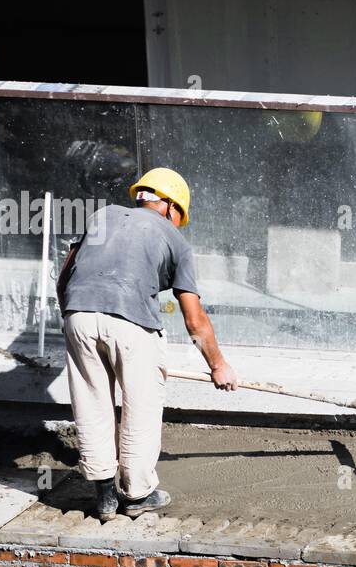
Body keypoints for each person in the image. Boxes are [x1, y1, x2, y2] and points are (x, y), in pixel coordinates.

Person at [56, 167, 238, 521]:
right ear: (170, 205)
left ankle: (105, 497)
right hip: (132, 324)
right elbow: (193, 319)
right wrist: (218, 365)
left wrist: (76, 321)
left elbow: (65, 278)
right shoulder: (175, 239)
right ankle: (137, 494)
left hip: (77, 314)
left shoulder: (102, 216)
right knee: (142, 405)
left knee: (92, 405)